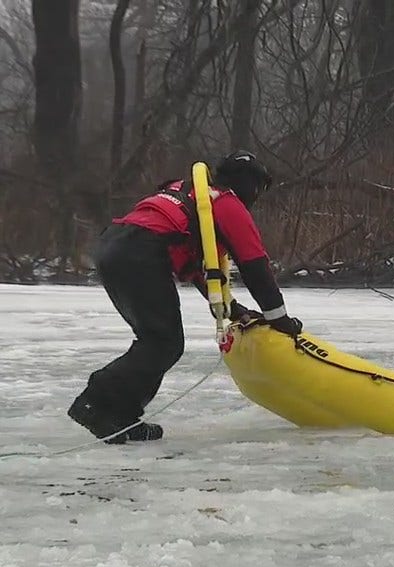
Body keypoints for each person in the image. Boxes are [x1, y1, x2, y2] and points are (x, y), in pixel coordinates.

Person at [68, 150, 304, 443]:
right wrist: (279, 319)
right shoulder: (227, 203)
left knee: (156, 341)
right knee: (163, 343)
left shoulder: (191, 193)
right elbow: (255, 267)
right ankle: (95, 402)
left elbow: (199, 270)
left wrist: (234, 310)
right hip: (139, 251)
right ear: (251, 185)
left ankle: (120, 416)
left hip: (114, 244)